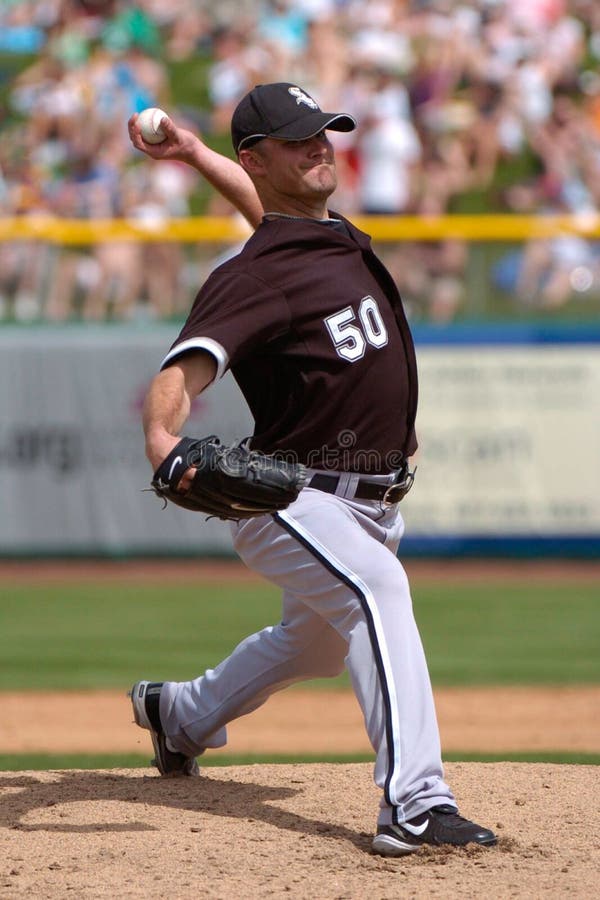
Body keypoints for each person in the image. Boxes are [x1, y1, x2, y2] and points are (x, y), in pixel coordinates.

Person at [127, 83, 497, 857]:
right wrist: (165, 445)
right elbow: (180, 374)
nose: (319, 145)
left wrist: (194, 155)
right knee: (377, 587)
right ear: (258, 158)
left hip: (370, 500)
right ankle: (416, 804)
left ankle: (179, 717)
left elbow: (268, 208)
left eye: (324, 131)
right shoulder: (251, 277)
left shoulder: (324, 237)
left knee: (318, 644)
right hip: (295, 494)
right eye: (298, 139)